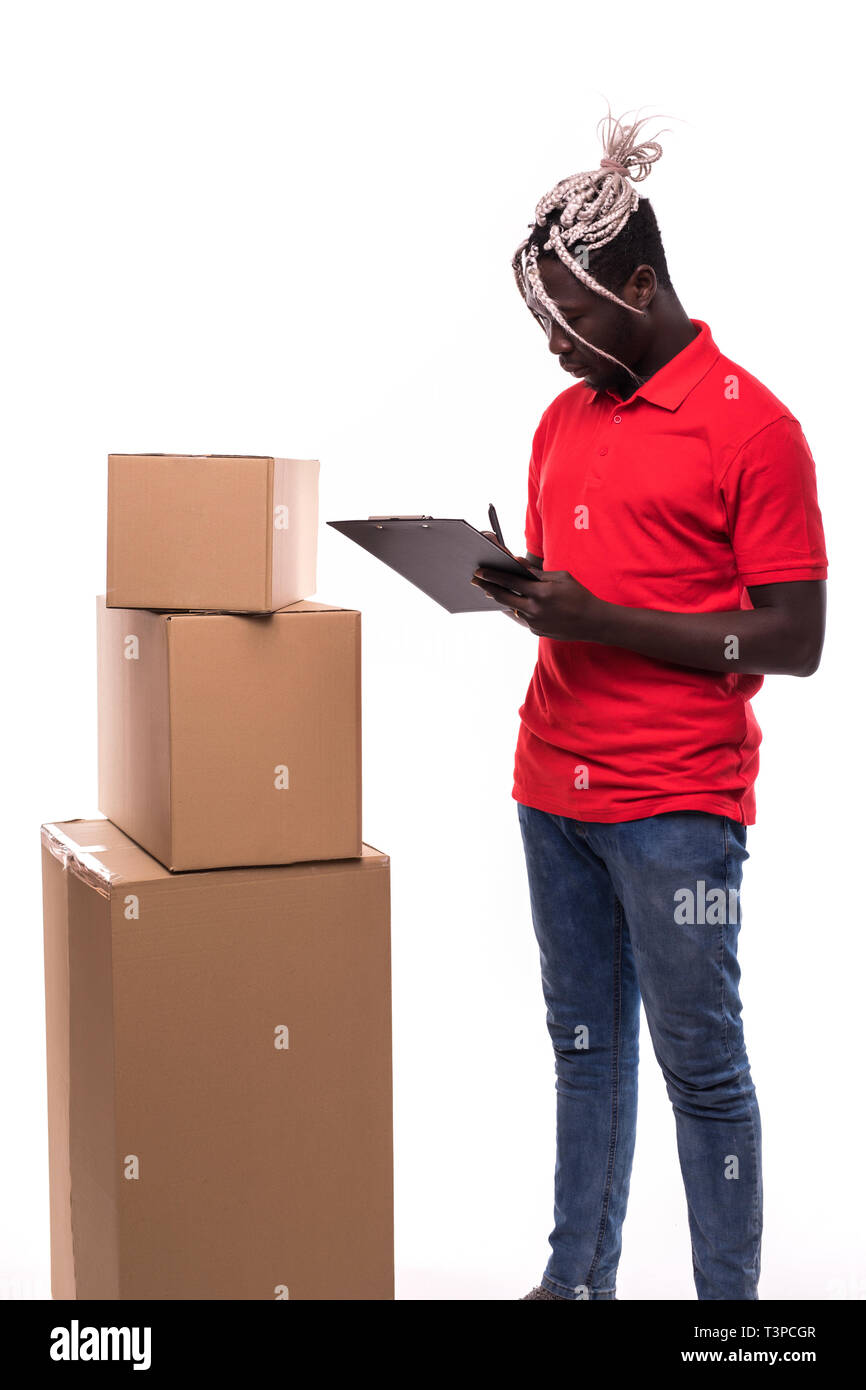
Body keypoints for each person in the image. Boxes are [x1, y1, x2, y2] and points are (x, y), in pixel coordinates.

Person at [470, 106, 828, 1301]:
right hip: (548, 789)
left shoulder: (753, 427)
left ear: (637, 285)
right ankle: (574, 1282)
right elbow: (583, 591)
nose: (554, 347)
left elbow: (794, 639)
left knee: (700, 1064)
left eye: (568, 320)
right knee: (583, 1056)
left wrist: (594, 620)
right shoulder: (560, 422)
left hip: (677, 804)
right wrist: (524, 599)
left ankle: (727, 1319)